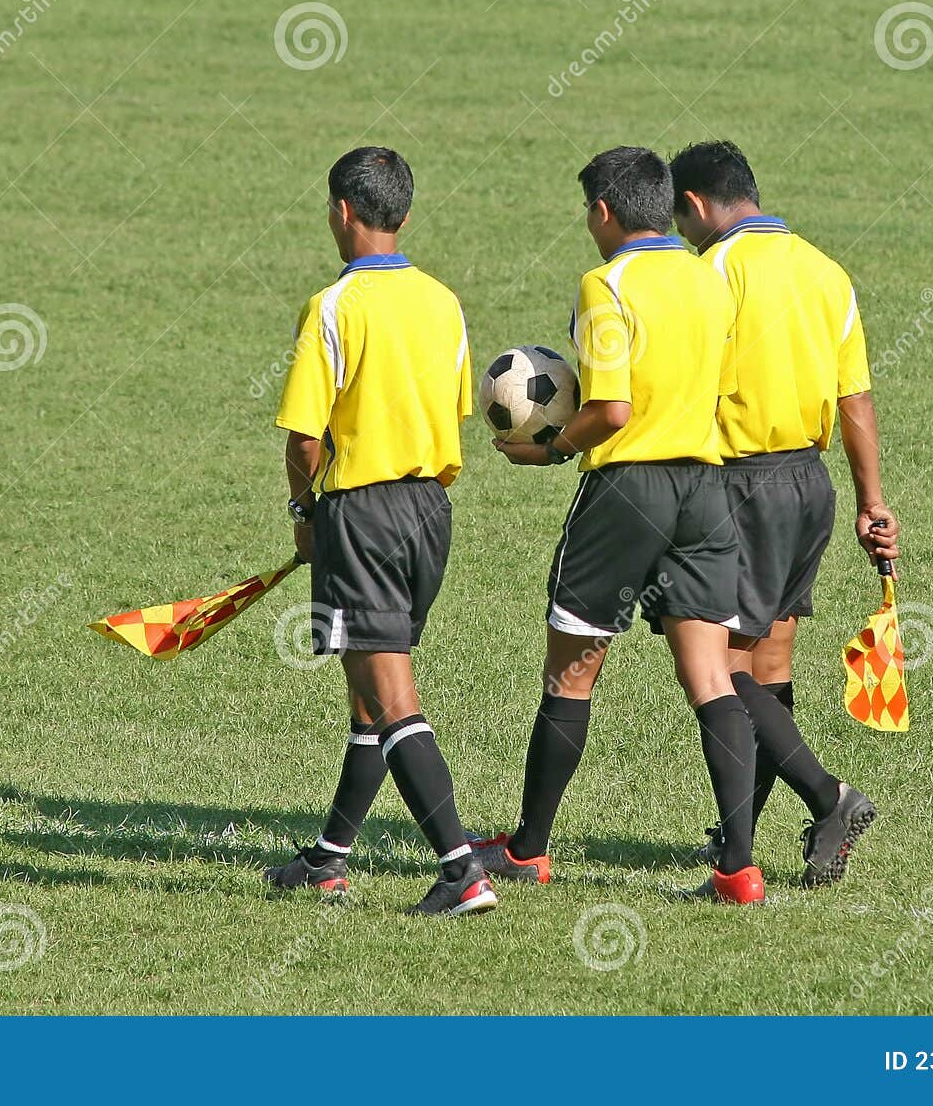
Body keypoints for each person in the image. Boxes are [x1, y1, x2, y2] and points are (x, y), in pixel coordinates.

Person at [473, 146, 766, 905]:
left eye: (586, 213)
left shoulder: (606, 285)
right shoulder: (711, 280)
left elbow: (610, 411)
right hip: (706, 489)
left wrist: (547, 447)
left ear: (604, 212)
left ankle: (529, 849)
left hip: (628, 491)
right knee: (710, 675)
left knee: (573, 669)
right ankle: (738, 868)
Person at [265, 146, 497, 917]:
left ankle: (461, 868)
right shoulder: (444, 302)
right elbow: (457, 406)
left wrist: (306, 517)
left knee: (392, 695)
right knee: (367, 695)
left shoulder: (333, 307)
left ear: (342, 212)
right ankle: (329, 858)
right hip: (430, 511)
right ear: (404, 211)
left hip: (359, 514)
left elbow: (305, 439)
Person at [670, 139, 900, 887]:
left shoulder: (713, 271)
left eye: (682, 220)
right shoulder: (828, 272)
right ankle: (736, 841)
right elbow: (855, 398)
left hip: (737, 486)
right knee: (766, 669)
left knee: (714, 667)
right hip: (809, 485)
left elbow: (682, 382)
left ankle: (829, 797)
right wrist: (873, 503)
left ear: (698, 206)